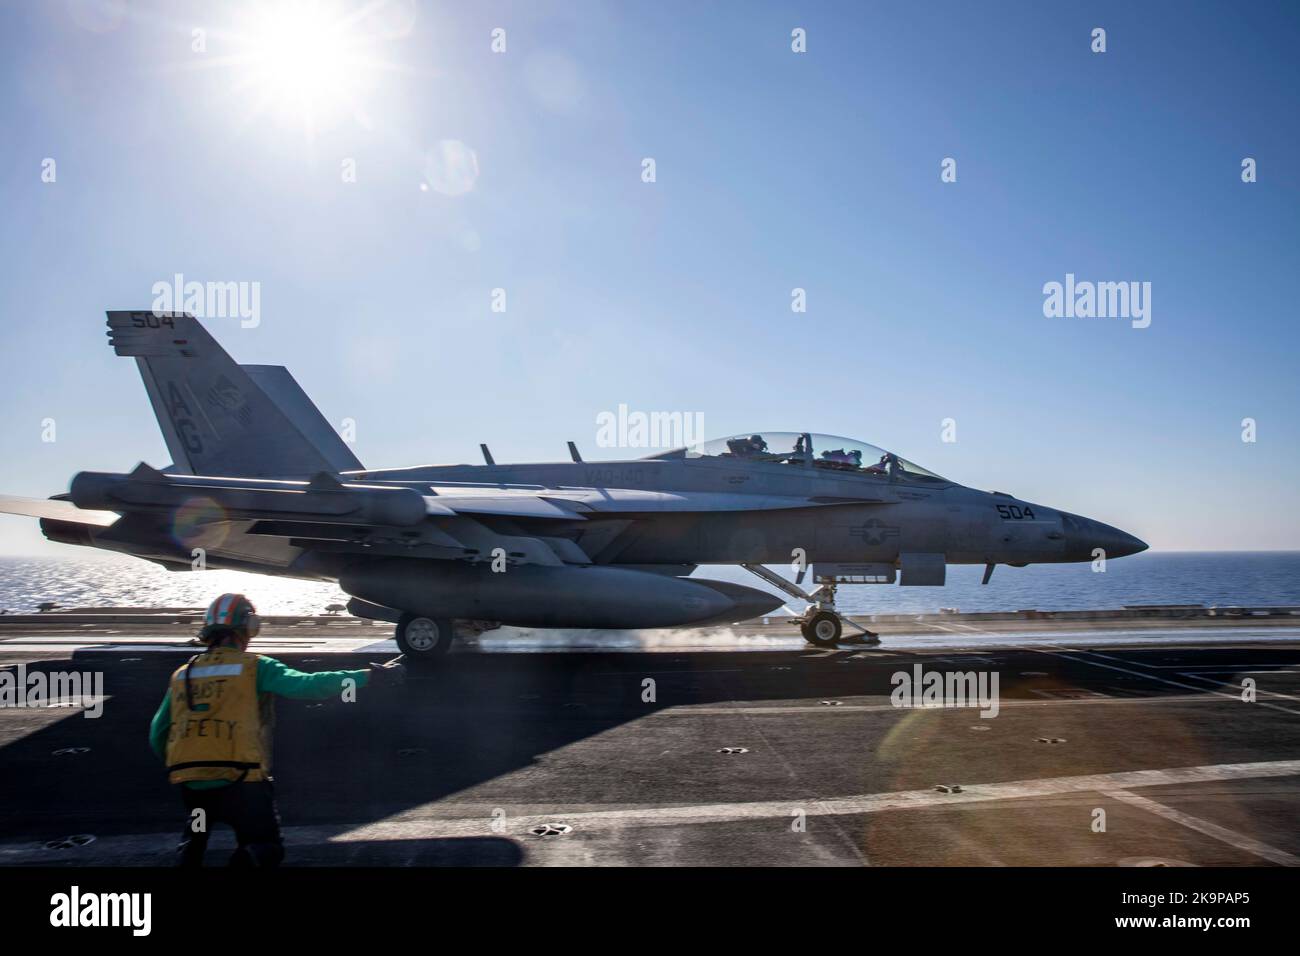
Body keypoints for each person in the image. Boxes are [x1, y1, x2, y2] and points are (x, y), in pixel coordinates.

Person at [148, 593, 405, 867]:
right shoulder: (256, 668)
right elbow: (307, 686)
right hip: (242, 784)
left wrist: (187, 767)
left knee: (195, 838)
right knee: (263, 847)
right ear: (247, 628)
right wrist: (368, 676)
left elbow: (157, 732)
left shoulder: (182, 674)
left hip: (194, 785)